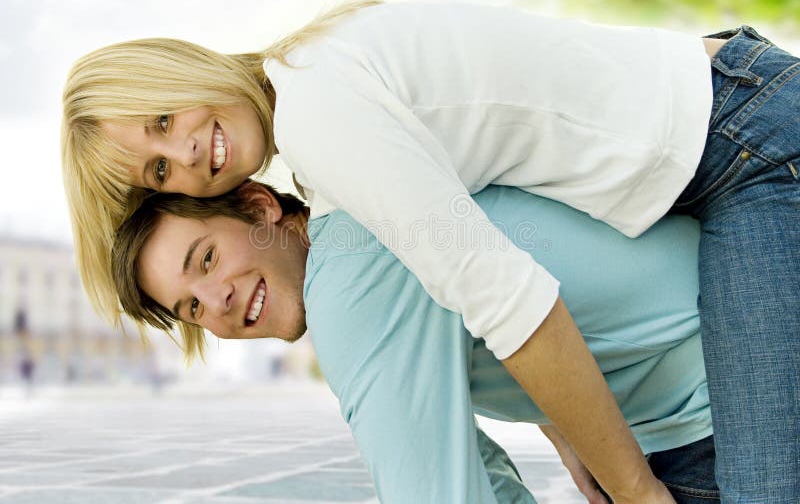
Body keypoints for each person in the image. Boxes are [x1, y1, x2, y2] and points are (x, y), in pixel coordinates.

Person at [62, 0, 799, 502]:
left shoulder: (322, 118)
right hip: (716, 133)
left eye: (164, 117)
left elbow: (511, 301)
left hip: (743, 139)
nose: (187, 152)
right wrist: (573, 440)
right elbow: (489, 253)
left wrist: (635, 488)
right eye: (160, 171)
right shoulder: (322, 143)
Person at [112, 181, 718, 503]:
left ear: (258, 205)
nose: (216, 301)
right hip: (681, 420)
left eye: (208, 258)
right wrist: (561, 425)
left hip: (726, 377)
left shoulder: (349, 273)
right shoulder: (349, 246)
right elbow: (470, 462)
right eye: (191, 307)